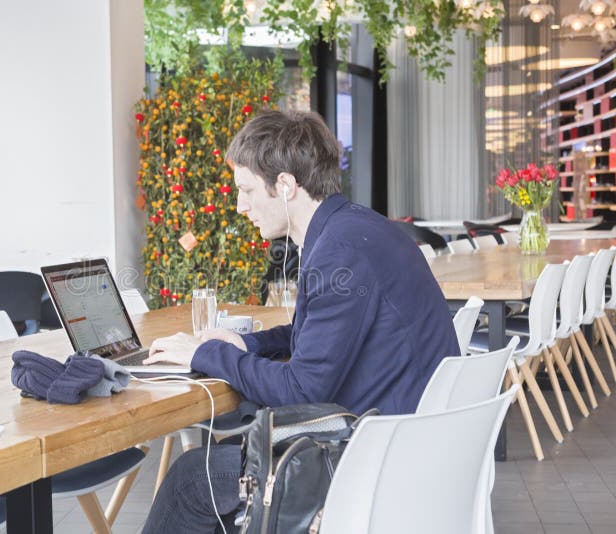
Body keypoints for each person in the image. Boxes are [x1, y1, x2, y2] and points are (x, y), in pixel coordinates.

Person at [141, 110, 459, 533]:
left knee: (191, 480)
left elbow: (301, 390)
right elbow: (318, 335)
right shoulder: (358, 228)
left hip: (373, 457)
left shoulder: (337, 251)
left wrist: (206, 352)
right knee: (213, 473)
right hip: (409, 438)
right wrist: (246, 345)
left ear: (286, 186)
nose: (240, 206)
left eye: (247, 190)